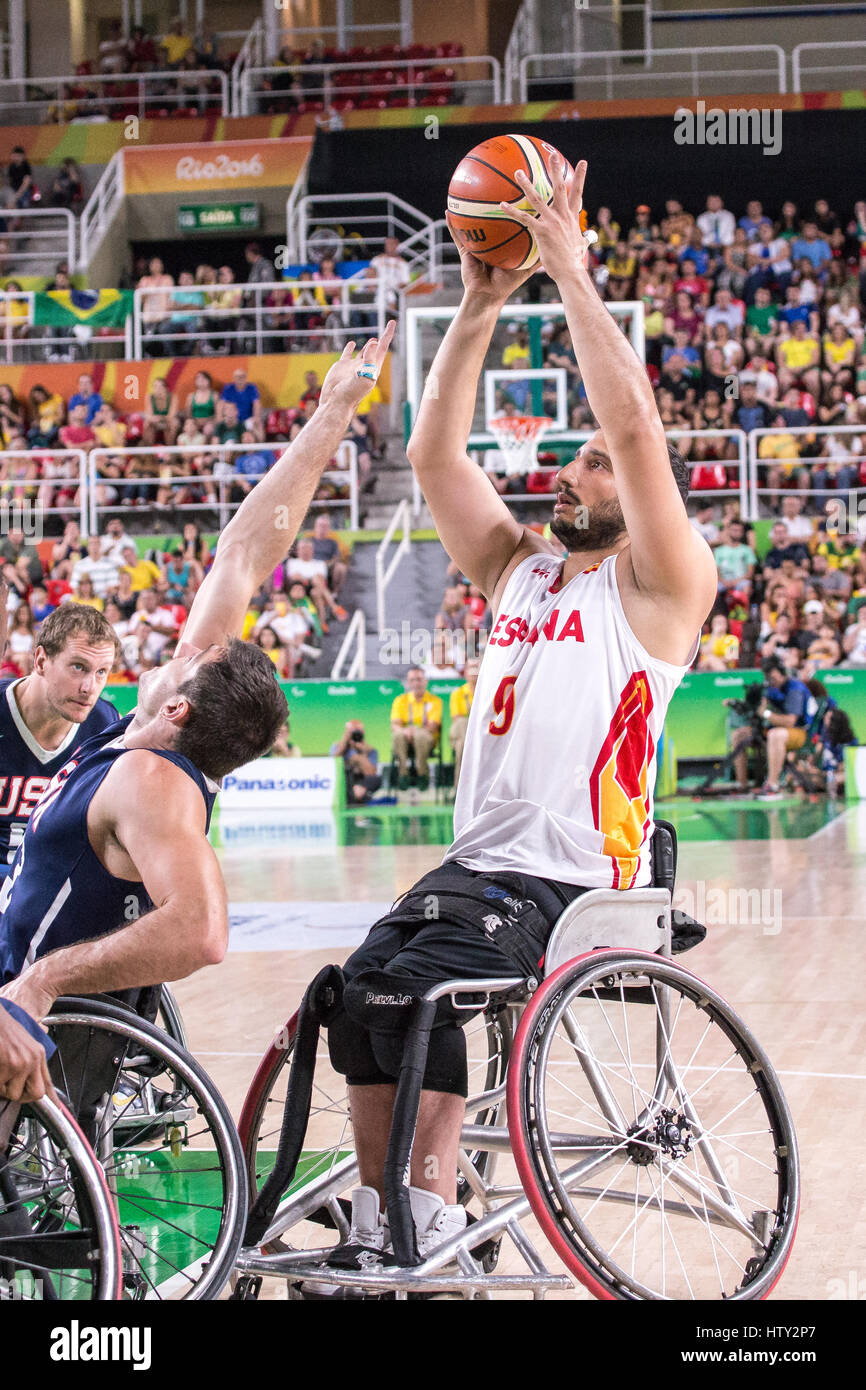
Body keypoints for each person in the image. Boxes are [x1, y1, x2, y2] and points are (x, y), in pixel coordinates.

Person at [319, 157, 715, 1277]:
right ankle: (385, 1207)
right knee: (357, 996)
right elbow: (432, 453)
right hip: (474, 865)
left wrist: (572, 273)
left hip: (577, 874)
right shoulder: (518, 571)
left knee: (420, 986)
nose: (574, 468)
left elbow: (635, 428)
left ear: (633, 499)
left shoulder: (657, 588)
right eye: (573, 457)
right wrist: (482, 300)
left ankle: (431, 1216)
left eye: (589, 464)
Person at [0, 324, 395, 1024]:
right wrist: (335, 409)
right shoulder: (151, 741)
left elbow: (202, 932)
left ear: (180, 707)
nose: (181, 650)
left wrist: (42, 983)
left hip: (22, 1004)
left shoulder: (154, 782)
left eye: (191, 659)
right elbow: (244, 552)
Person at [0, 604, 118, 878]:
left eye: (102, 672)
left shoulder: (105, 726)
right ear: (40, 661)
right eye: (78, 667)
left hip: (51, 887)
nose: (89, 687)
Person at [730, 655, 812, 797]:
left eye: (774, 677)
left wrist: (765, 714)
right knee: (739, 734)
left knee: (776, 734)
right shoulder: (770, 689)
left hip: (799, 733)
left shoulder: (795, 689)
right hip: (773, 729)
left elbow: (790, 722)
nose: (771, 681)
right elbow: (757, 709)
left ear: (782, 673)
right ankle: (741, 784)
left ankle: (772, 785)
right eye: (768, 678)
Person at [389, 666, 442, 792]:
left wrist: (414, 731)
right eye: (412, 680)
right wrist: (404, 731)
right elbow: (395, 725)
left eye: (419, 679)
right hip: (405, 738)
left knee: (420, 736)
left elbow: (432, 726)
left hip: (426, 739)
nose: (416, 683)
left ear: (425, 681)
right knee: (397, 735)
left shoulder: (435, 701)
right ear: (407, 682)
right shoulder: (400, 700)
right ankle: (403, 774)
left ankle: (422, 773)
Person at [330, 720, 382, 805]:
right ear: (346, 733)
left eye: (358, 731)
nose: (355, 735)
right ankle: (356, 795)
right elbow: (332, 766)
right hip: (344, 779)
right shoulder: (337, 746)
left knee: (376, 779)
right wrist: (344, 748)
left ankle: (356, 793)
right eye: (352, 732)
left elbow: (371, 773)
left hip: (361, 781)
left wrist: (361, 754)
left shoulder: (370, 750)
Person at [448, 656, 480, 786]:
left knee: (462, 746)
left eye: (476, 668)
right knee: (462, 725)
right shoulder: (458, 693)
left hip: (481, 734)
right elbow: (457, 718)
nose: (474, 672)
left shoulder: (489, 691)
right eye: (470, 668)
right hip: (463, 733)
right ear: (465, 672)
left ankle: (462, 788)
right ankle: (462, 787)